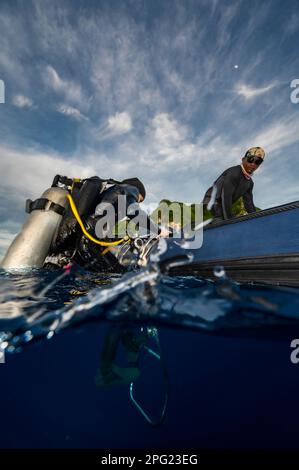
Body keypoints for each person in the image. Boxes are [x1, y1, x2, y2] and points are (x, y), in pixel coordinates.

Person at [202, 147, 265, 222]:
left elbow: (249, 204)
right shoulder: (234, 173)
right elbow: (226, 196)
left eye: (257, 162)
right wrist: (229, 219)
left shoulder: (249, 183)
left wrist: (258, 219)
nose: (253, 164)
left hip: (221, 207)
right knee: (223, 219)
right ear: (243, 159)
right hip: (210, 205)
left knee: (231, 217)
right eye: (250, 160)